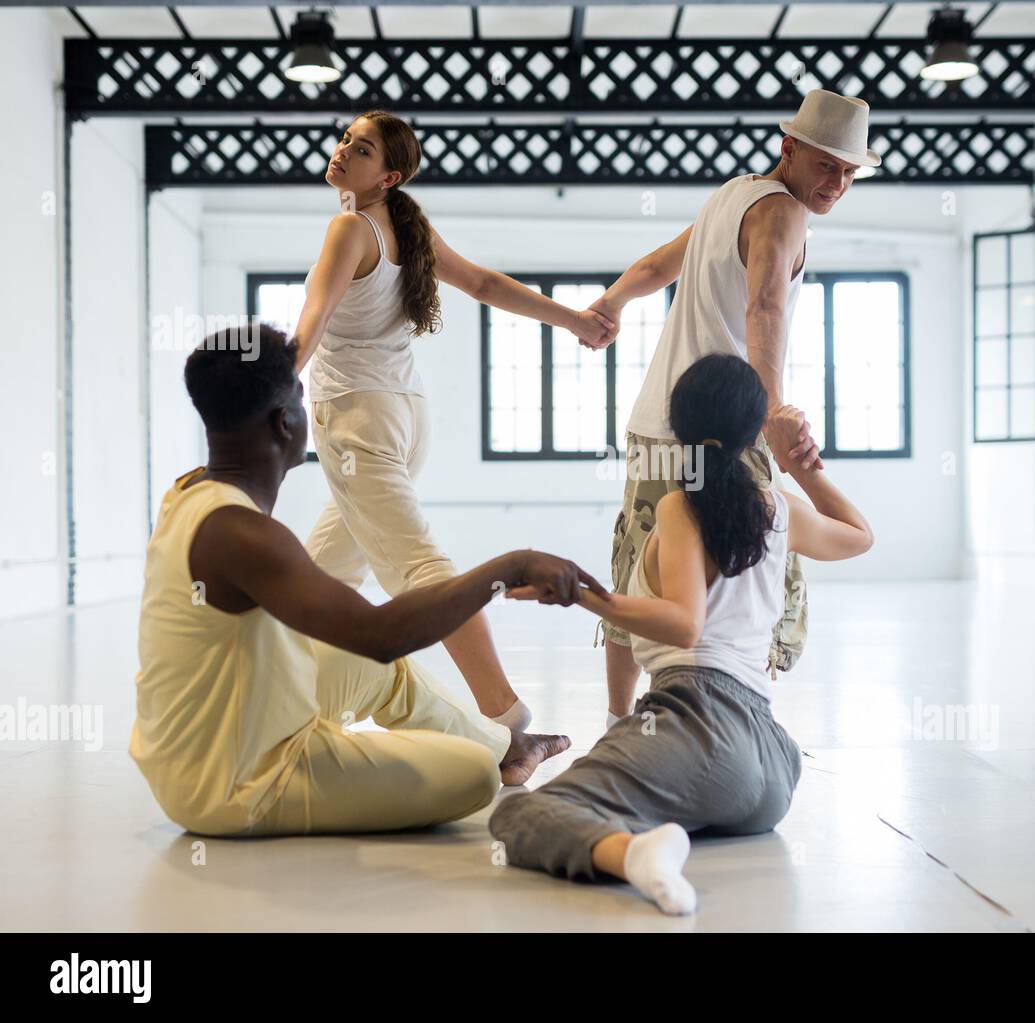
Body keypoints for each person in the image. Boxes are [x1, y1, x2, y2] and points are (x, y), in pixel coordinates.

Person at [129, 326, 601, 837]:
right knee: (470, 778)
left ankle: (509, 748)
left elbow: (370, 648)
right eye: (303, 398)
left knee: (382, 672)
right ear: (286, 422)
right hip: (231, 785)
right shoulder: (244, 535)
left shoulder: (192, 491)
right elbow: (379, 634)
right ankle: (482, 759)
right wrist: (512, 566)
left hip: (203, 742)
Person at [489, 354, 874, 914]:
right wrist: (800, 464)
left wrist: (583, 595)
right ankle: (669, 816)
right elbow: (859, 536)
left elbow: (686, 625)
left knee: (516, 814)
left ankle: (633, 856)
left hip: (694, 723)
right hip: (770, 771)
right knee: (667, 785)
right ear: (754, 430)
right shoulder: (778, 507)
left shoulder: (679, 506)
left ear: (676, 428)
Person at [289, 109, 615, 734]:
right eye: (345, 140)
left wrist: (270, 390)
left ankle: (510, 723)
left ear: (388, 176)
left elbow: (315, 319)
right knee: (318, 577)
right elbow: (486, 285)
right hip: (404, 420)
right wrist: (572, 320)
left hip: (358, 423)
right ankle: (290, 706)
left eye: (362, 150)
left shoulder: (350, 228)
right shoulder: (405, 228)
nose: (343, 152)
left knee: (421, 570)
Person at [581, 89, 882, 725]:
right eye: (828, 165)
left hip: (658, 425)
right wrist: (770, 411)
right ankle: (740, 713)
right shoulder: (783, 212)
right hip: (729, 424)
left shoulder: (729, 196)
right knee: (762, 559)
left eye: (851, 172)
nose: (838, 182)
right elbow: (765, 307)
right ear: (790, 148)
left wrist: (611, 301)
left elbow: (660, 263)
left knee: (641, 565)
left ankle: (618, 720)